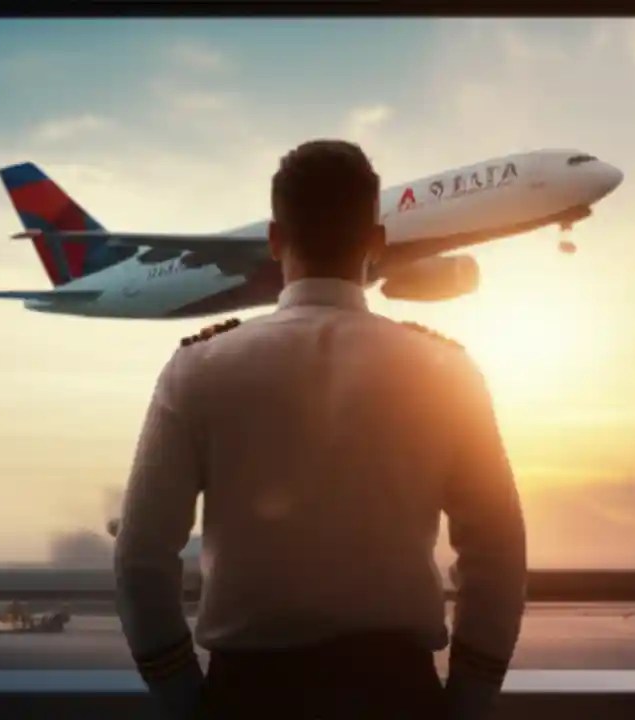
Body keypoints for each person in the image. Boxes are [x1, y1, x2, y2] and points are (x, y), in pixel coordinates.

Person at [114, 139, 527, 719]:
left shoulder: (199, 368)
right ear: (378, 243)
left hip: (248, 694)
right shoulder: (446, 371)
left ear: (276, 241)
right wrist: (464, 702)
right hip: (399, 694)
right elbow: (499, 555)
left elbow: (139, 559)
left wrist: (187, 702)